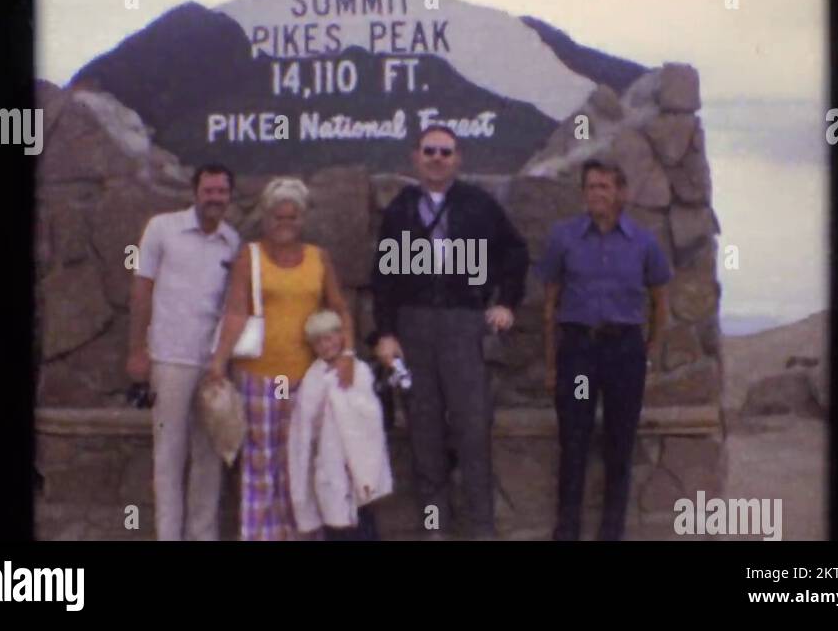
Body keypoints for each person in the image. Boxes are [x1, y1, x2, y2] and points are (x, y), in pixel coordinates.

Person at [371, 125, 530, 539]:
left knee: (473, 432)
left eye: (446, 151)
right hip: (414, 325)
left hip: (464, 325)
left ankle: (481, 531)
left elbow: (516, 254)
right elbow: (384, 279)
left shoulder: (479, 205)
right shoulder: (401, 209)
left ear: (458, 158)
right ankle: (434, 531)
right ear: (416, 157)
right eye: (430, 151)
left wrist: (506, 303)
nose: (437, 158)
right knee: (424, 436)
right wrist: (386, 333)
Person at [208, 177, 356, 541]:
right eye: (278, 216)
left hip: (307, 376)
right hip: (259, 376)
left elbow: (339, 308)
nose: (284, 223)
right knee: (261, 463)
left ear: (302, 218)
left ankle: (302, 534)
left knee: (302, 461)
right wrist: (217, 362)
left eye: (292, 217)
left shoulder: (318, 258)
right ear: (266, 216)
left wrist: (347, 353)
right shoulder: (250, 256)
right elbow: (236, 312)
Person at [536, 159, 672, 541]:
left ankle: (611, 531)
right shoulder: (564, 238)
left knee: (619, 442)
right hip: (578, 352)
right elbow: (549, 306)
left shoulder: (644, 243)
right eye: (590, 187)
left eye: (604, 187)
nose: (596, 193)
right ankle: (568, 530)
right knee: (574, 439)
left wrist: (649, 353)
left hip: (624, 354)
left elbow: (661, 303)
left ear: (621, 194)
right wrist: (551, 365)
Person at [126, 163, 241, 541]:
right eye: (208, 191)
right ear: (195, 193)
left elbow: (232, 306)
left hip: (212, 365)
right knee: (168, 456)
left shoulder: (232, 241)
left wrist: (221, 360)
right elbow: (142, 290)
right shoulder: (162, 229)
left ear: (229, 196)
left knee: (209, 459)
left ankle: (202, 536)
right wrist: (137, 350)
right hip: (168, 359)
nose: (214, 198)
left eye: (221, 192)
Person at [288, 309, 393, 541]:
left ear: (341, 336)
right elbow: (305, 422)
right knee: (335, 521)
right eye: (318, 342)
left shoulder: (359, 371)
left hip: (357, 462)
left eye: (329, 338)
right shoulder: (313, 377)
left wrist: (336, 395)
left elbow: (368, 414)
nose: (325, 346)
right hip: (328, 461)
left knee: (363, 523)